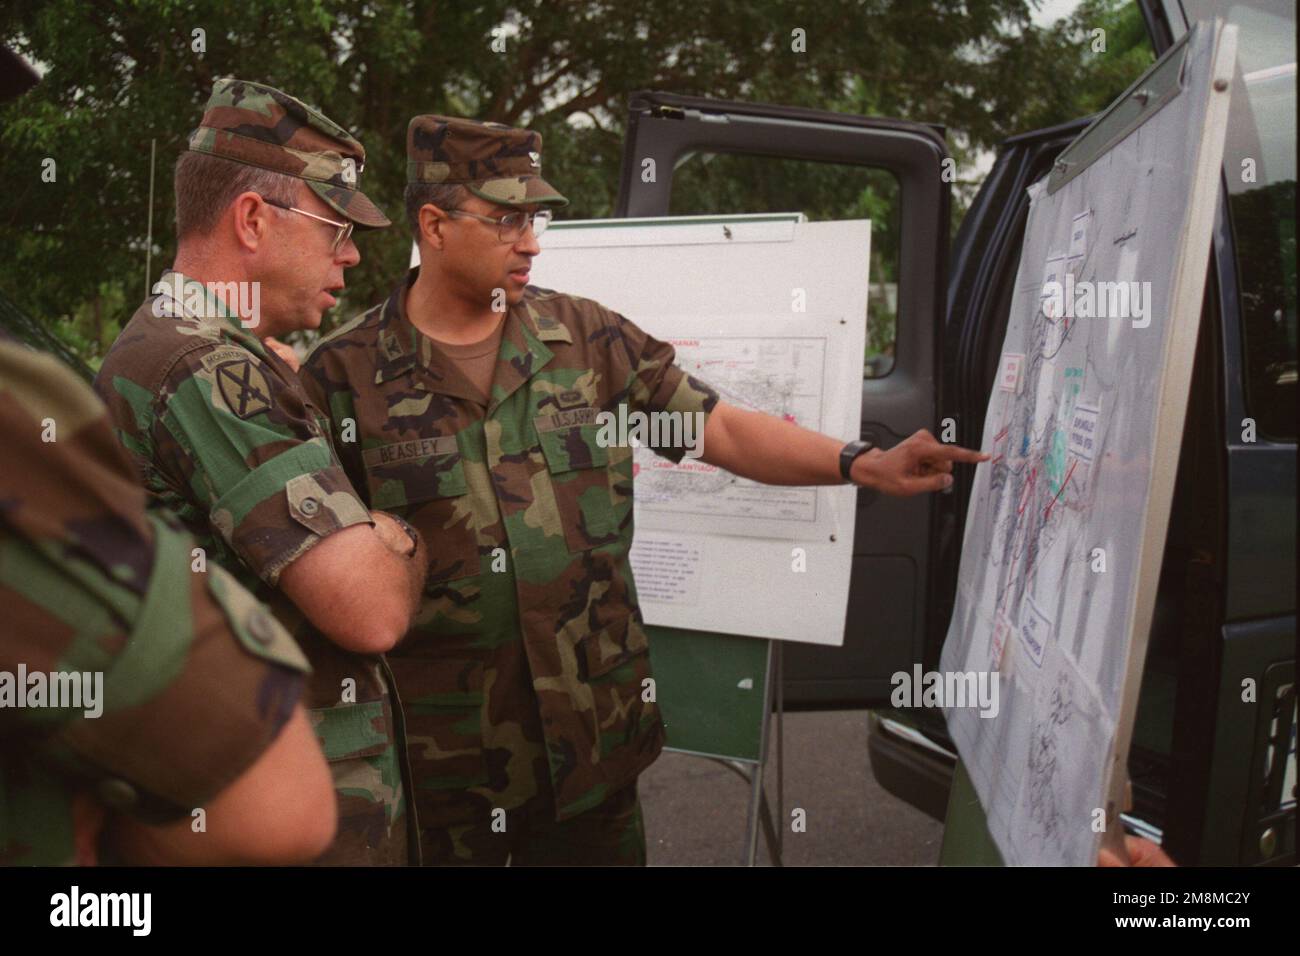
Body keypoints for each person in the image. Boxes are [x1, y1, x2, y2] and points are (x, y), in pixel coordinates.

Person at [301, 114, 988, 865]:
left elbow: (718, 429)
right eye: (505, 220)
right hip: (442, 773)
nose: (530, 241)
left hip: (594, 748)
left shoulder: (587, 339)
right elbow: (321, 582)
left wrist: (861, 462)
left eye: (535, 219)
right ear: (434, 225)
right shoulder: (343, 376)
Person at [94, 79, 428, 865]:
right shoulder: (206, 370)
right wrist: (400, 539)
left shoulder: (187, 351)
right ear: (252, 219)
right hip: (274, 819)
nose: (348, 261)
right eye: (335, 230)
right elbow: (370, 609)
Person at [0, 334, 337, 865]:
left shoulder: (153, 350)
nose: (349, 262)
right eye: (336, 242)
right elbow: (368, 612)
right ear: (253, 241)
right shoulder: (193, 364)